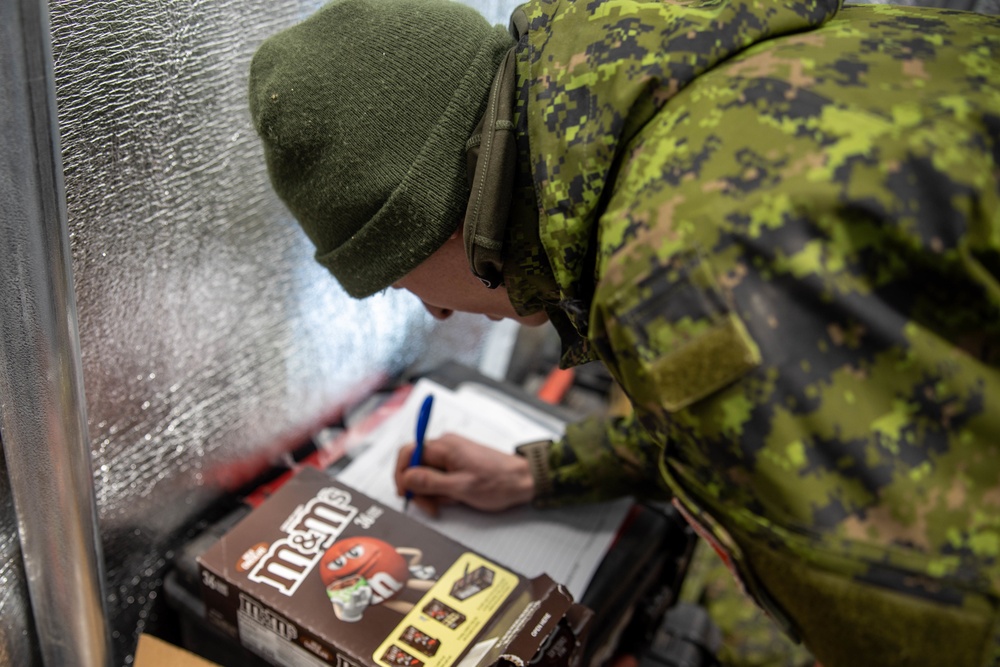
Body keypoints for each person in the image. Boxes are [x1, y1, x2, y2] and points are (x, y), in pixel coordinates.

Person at [247, 0, 1000, 665]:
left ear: (438, 218)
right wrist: (544, 473)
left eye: (403, 280)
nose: (435, 313)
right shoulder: (658, 72)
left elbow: (935, 619)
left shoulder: (673, 263)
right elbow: (764, 411)